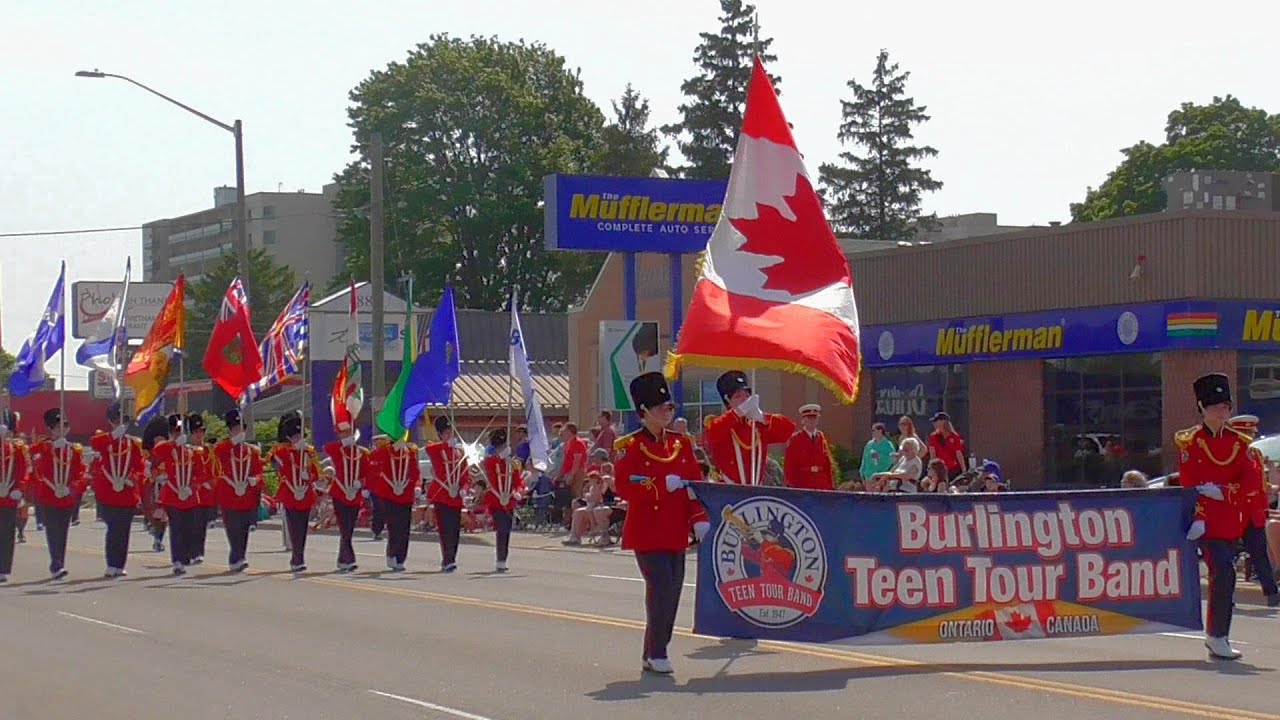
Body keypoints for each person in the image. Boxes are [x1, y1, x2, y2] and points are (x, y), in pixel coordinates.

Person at [612, 372, 710, 675]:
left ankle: (653, 650)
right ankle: (657, 650)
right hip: (647, 531)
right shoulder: (629, 446)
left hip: (676, 530)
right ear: (643, 412)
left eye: (669, 407)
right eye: (660, 408)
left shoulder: (681, 444)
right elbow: (623, 485)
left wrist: (699, 519)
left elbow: (694, 486)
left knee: (674, 591)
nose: (667, 413)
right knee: (661, 589)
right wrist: (657, 484)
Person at [1175, 373, 1252, 660]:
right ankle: (1217, 635)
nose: (1222, 411)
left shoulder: (1240, 443)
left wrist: (1226, 491)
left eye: (1226, 406)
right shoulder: (1189, 442)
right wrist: (1199, 512)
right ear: (1203, 408)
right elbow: (1188, 482)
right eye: (1216, 406)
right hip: (1203, 522)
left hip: (1230, 518)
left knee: (1225, 576)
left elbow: (1251, 482)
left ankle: (1217, 635)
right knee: (1224, 572)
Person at [702, 370, 796, 485]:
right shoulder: (721, 423)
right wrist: (738, 412)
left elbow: (787, 430)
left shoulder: (758, 425)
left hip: (755, 490)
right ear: (728, 401)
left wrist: (762, 417)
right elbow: (712, 435)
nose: (745, 400)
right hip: (728, 490)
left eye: (747, 396)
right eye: (738, 396)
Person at [1226, 415, 1279, 607]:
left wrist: (1271, 489)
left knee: (1259, 553)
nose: (1250, 436)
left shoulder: (1255, 453)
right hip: (1234, 511)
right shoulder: (1227, 453)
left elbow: (1259, 483)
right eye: (1246, 432)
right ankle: (1226, 594)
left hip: (1254, 512)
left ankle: (1272, 592)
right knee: (1228, 555)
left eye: (1251, 433)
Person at [29, 408, 86, 580]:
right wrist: (51, 447)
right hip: (49, 495)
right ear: (51, 429)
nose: (62, 430)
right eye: (58, 427)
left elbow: (80, 473)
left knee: (63, 531)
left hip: (66, 496)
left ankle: (59, 561)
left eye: (65, 426)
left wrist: (73, 488)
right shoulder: (43, 446)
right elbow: (34, 463)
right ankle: (56, 564)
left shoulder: (74, 450)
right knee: (53, 531)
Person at [89, 402, 144, 578]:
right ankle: (111, 563)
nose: (120, 424)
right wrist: (113, 435)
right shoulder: (103, 439)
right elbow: (95, 444)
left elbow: (139, 466)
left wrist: (131, 479)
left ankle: (120, 564)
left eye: (123, 421)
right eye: (115, 421)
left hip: (126, 492)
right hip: (109, 492)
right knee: (113, 529)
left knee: (124, 530)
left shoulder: (133, 444)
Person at [152, 414, 204, 575]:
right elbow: (156, 456)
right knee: (177, 528)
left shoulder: (192, 452)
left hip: (189, 495)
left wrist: (193, 486)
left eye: (180, 431)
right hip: (173, 494)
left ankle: (186, 556)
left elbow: (201, 472)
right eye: (175, 432)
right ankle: (177, 560)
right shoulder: (167, 449)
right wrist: (173, 443)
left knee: (189, 528)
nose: (178, 434)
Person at [214, 409, 263, 573]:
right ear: (230, 431)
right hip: (229, 495)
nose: (238, 432)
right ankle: (235, 557)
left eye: (241, 429)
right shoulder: (222, 449)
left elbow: (258, 471)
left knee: (243, 529)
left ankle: (240, 556)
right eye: (235, 429)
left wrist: (255, 480)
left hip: (246, 496)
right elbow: (217, 463)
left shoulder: (252, 451)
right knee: (233, 528)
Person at [271, 412, 318, 572]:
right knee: (293, 526)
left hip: (305, 493)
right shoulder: (282, 452)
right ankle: (296, 557)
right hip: (290, 493)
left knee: (303, 527)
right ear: (290, 438)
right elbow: (277, 465)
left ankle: (300, 555)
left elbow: (316, 474)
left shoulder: (309, 452)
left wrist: (309, 475)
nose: (298, 438)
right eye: (295, 436)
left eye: (300, 435)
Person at [322, 418, 369, 573]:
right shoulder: (337, 450)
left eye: (349, 432)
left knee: (349, 527)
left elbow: (367, 473)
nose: (346, 435)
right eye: (343, 433)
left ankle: (343, 559)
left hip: (354, 494)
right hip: (339, 493)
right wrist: (343, 442)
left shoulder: (361, 453)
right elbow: (327, 448)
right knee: (344, 527)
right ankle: (349, 559)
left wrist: (361, 483)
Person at [370, 432, 420, 572]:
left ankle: (401, 558)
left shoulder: (410, 451)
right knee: (393, 526)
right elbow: (372, 463)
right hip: (389, 494)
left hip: (406, 493)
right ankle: (392, 553)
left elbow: (414, 472)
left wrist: (415, 486)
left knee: (404, 528)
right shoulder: (384, 451)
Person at [425, 416, 468, 572]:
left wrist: (464, 487)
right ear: (441, 435)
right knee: (445, 529)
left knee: (455, 530)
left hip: (456, 496)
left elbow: (465, 474)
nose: (450, 435)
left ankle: (452, 557)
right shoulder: (436, 449)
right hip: (441, 494)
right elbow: (429, 449)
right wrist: (445, 444)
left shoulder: (459, 452)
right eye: (446, 433)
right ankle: (447, 559)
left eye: (451, 432)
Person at [482, 428, 525, 572]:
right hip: (496, 499)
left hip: (510, 500)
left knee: (507, 530)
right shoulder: (490, 461)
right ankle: (500, 558)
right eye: (501, 446)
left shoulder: (513, 463)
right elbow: (488, 469)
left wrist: (518, 491)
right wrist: (501, 457)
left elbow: (518, 481)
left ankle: (503, 558)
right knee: (501, 529)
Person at [0, 410, 31, 583]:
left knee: (6, 533)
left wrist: (20, 488)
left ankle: (3, 567)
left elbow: (23, 470)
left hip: (9, 496)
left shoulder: (17, 448)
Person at [782, 404, 837, 490]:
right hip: (802, 485)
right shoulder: (795, 439)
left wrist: (830, 485)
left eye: (814, 418)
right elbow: (789, 466)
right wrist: (792, 487)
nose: (812, 421)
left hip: (821, 484)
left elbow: (827, 463)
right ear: (803, 420)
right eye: (809, 418)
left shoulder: (821, 437)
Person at [188, 413, 218, 565]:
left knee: (202, 525)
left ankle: (199, 551)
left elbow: (214, 469)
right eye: (196, 432)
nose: (200, 435)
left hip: (207, 494)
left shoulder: (209, 450)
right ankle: (193, 552)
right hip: (194, 491)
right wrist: (200, 482)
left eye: (201, 432)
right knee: (194, 524)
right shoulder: (188, 451)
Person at [140, 416, 171, 553]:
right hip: (154, 486)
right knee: (155, 512)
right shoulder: (149, 455)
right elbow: (147, 471)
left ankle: (158, 538)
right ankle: (155, 531)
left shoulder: (170, 451)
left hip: (167, 485)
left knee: (164, 514)